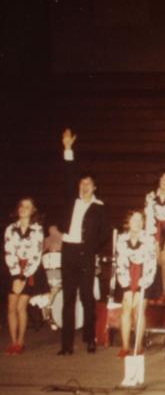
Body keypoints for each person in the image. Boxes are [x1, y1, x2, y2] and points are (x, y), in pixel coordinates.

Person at [58, 128, 110, 355]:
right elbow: (69, 173)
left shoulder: (99, 207)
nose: (84, 186)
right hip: (68, 251)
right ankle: (66, 345)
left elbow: (105, 233)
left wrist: (90, 248)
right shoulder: (72, 199)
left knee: (88, 297)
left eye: (88, 183)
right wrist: (68, 148)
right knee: (68, 298)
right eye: (82, 183)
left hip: (85, 253)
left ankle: (90, 339)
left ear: (94, 187)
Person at [4, 198, 48, 354]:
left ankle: (21, 341)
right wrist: (16, 276)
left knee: (21, 306)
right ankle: (13, 341)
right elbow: (9, 252)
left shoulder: (38, 230)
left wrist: (23, 277)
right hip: (13, 270)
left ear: (33, 210)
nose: (23, 209)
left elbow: (36, 256)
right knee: (11, 307)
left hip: (30, 271)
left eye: (27, 207)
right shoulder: (10, 229)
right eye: (21, 206)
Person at [114, 210, 157, 357]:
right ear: (128, 222)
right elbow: (120, 263)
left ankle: (138, 346)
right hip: (126, 275)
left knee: (139, 310)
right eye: (134, 220)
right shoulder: (121, 239)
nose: (137, 223)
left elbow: (151, 263)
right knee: (126, 308)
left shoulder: (149, 239)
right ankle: (125, 346)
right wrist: (126, 287)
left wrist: (140, 287)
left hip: (144, 276)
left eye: (140, 220)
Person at [144, 169, 165, 299]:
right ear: (158, 180)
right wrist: (153, 236)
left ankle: (164, 291)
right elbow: (148, 216)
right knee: (156, 259)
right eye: (163, 178)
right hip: (154, 229)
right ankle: (154, 291)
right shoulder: (150, 196)